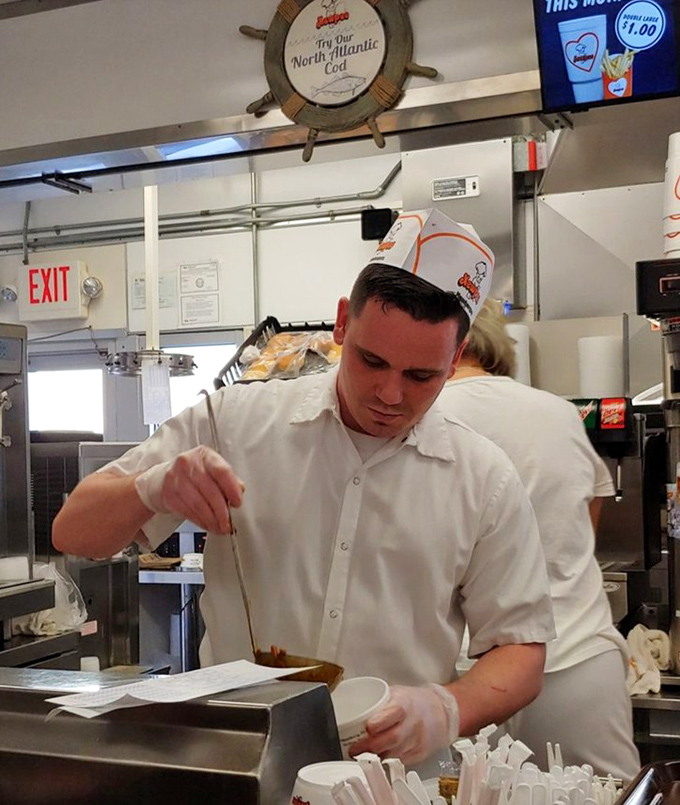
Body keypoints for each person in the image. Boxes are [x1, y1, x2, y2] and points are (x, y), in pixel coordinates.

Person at [53, 209, 555, 768]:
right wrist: (151, 487)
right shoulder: (234, 422)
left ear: (455, 358)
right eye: (371, 361)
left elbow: (521, 649)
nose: (390, 394)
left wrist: (445, 708)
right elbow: (75, 533)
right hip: (242, 763)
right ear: (342, 323)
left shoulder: (482, 479)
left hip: (391, 779)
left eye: (421, 376)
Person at [438, 298, 640, 780]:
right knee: (607, 794)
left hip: (462, 679)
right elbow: (589, 516)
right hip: (577, 660)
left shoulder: (419, 417)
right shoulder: (558, 411)